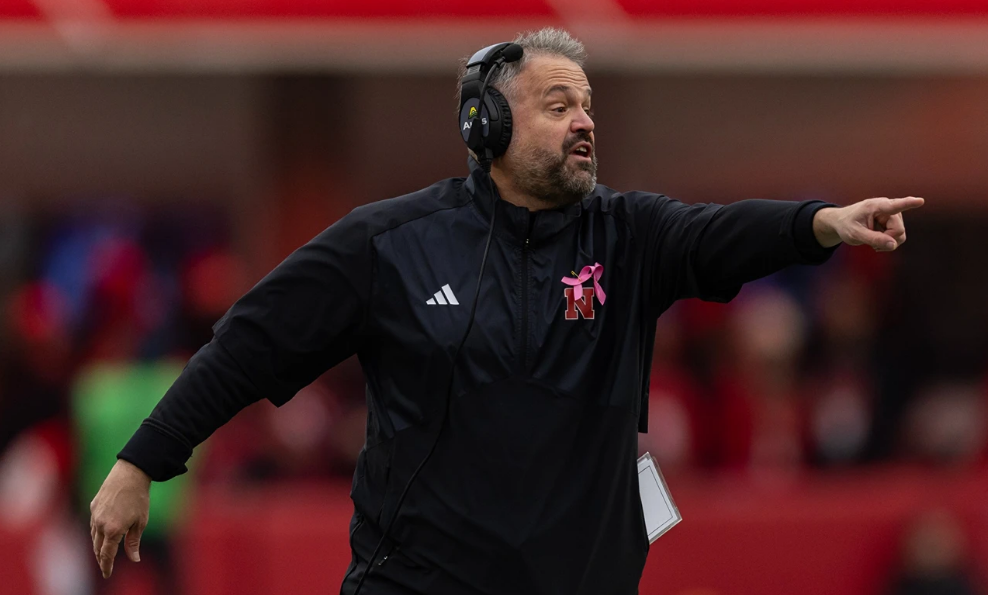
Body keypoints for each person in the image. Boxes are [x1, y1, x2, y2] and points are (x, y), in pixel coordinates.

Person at [89, 27, 924, 595]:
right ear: (486, 125)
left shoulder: (628, 235)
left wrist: (820, 225)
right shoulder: (391, 242)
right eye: (559, 105)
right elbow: (250, 345)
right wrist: (140, 464)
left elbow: (717, 236)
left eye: (588, 105)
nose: (584, 121)